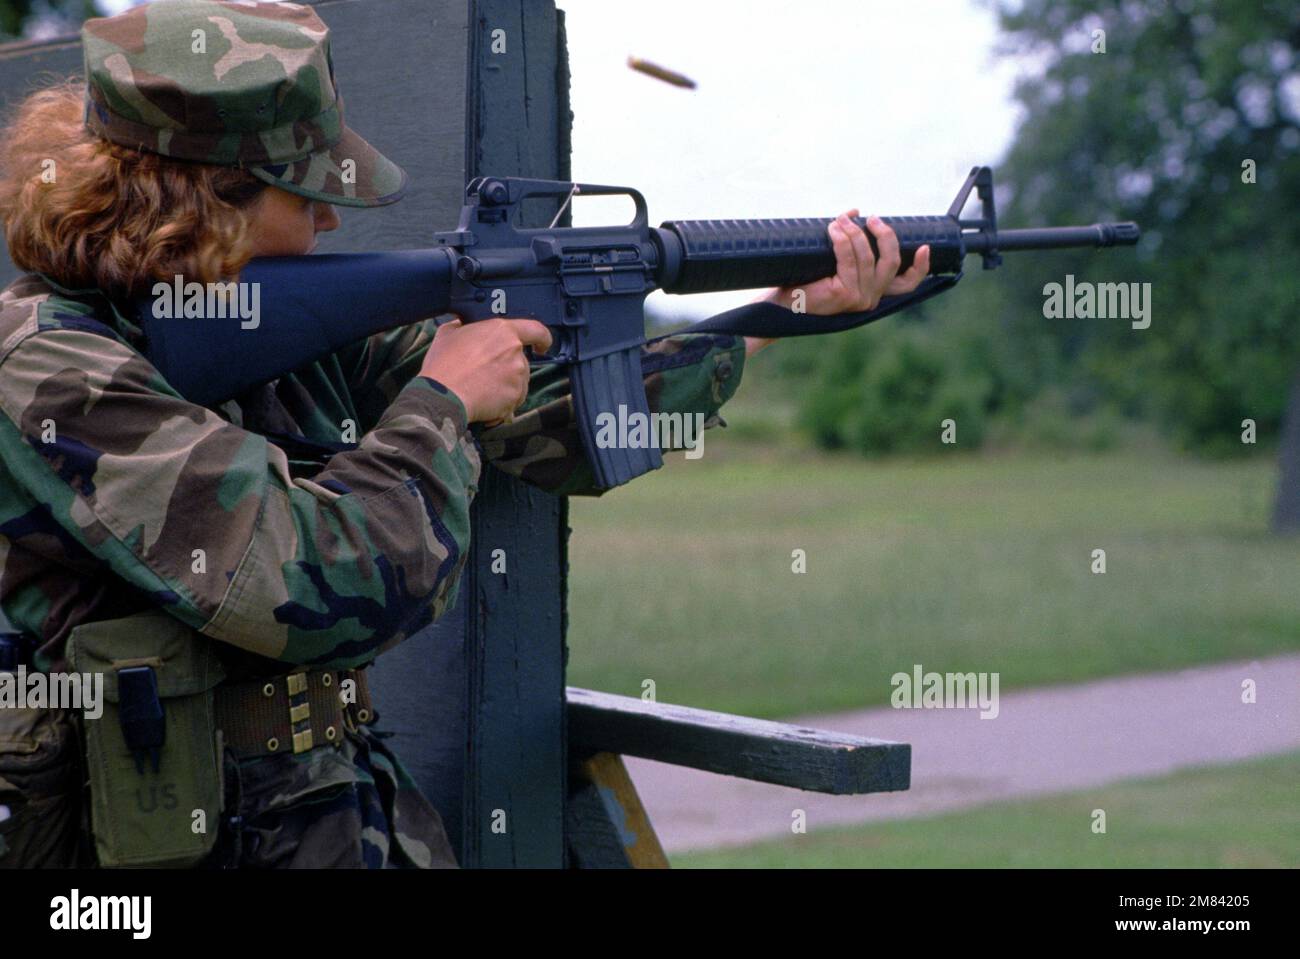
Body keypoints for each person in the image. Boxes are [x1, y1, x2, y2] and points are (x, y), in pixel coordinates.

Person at [0, 0, 929, 868]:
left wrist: (779, 311)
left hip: (327, 821)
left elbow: (541, 424)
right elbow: (311, 580)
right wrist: (444, 399)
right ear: (200, 201)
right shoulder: (46, 372)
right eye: (302, 193)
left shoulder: (249, 325)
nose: (329, 218)